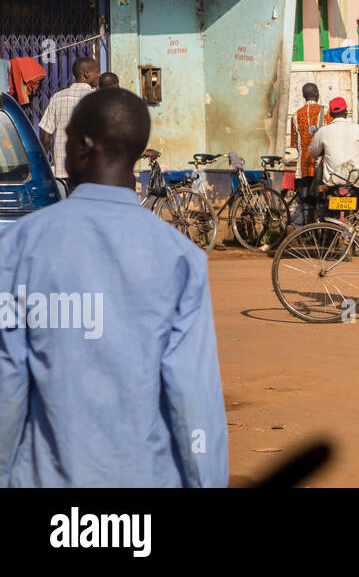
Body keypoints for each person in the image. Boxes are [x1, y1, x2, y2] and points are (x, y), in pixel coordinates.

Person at [0, 88, 227, 486]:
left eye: (67, 139)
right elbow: (193, 396)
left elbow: (8, 381)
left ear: (84, 146)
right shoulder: (179, 257)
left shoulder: (21, 244)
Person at [38, 55, 99, 180]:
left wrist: (41, 168)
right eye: (97, 72)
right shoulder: (97, 99)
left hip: (62, 172)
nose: (99, 75)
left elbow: (45, 139)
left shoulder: (57, 97)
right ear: (87, 74)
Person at [308, 96, 359, 187]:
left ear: (331, 114)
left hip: (331, 181)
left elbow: (312, 152)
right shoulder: (358, 129)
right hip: (356, 180)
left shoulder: (322, 131)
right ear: (346, 112)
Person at [289, 83, 331, 226]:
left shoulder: (295, 116)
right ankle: (322, 231)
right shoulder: (325, 113)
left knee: (305, 200)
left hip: (303, 167)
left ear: (303, 96)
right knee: (322, 202)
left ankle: (301, 230)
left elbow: (294, 144)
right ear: (317, 94)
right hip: (321, 167)